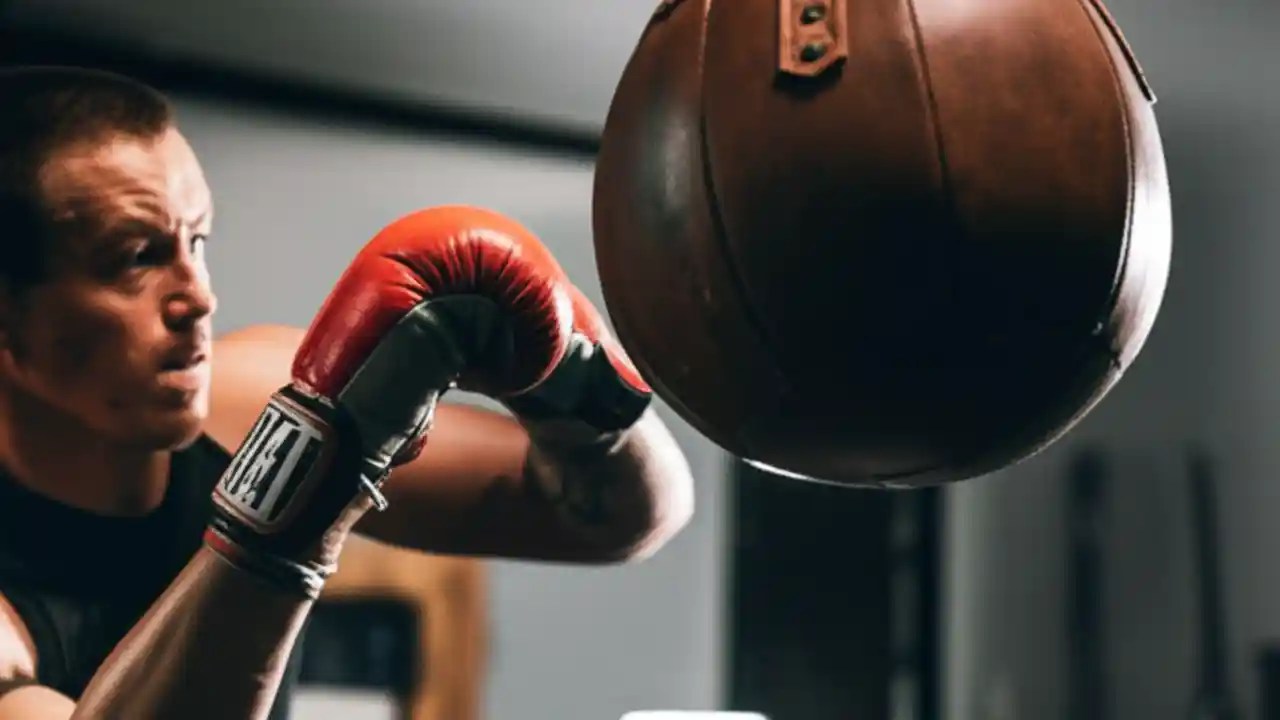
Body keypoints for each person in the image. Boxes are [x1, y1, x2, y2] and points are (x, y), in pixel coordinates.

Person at [0, 65, 696, 719]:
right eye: (135, 258)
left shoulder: (245, 402)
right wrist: (289, 520)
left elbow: (617, 518)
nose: (199, 296)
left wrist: (572, 376)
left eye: (197, 241)